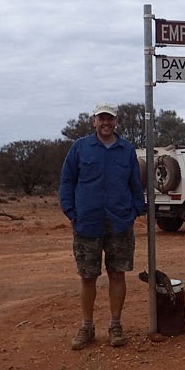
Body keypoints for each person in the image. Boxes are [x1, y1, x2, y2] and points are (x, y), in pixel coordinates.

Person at [59, 103, 146, 350]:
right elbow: (67, 181)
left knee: (117, 274)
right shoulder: (80, 148)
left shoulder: (126, 149)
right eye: (101, 118)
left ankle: (115, 325)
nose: (106, 123)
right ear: (94, 121)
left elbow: (135, 183)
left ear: (116, 121)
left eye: (110, 119)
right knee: (88, 277)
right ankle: (87, 327)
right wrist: (72, 212)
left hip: (119, 222)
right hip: (87, 221)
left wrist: (135, 210)